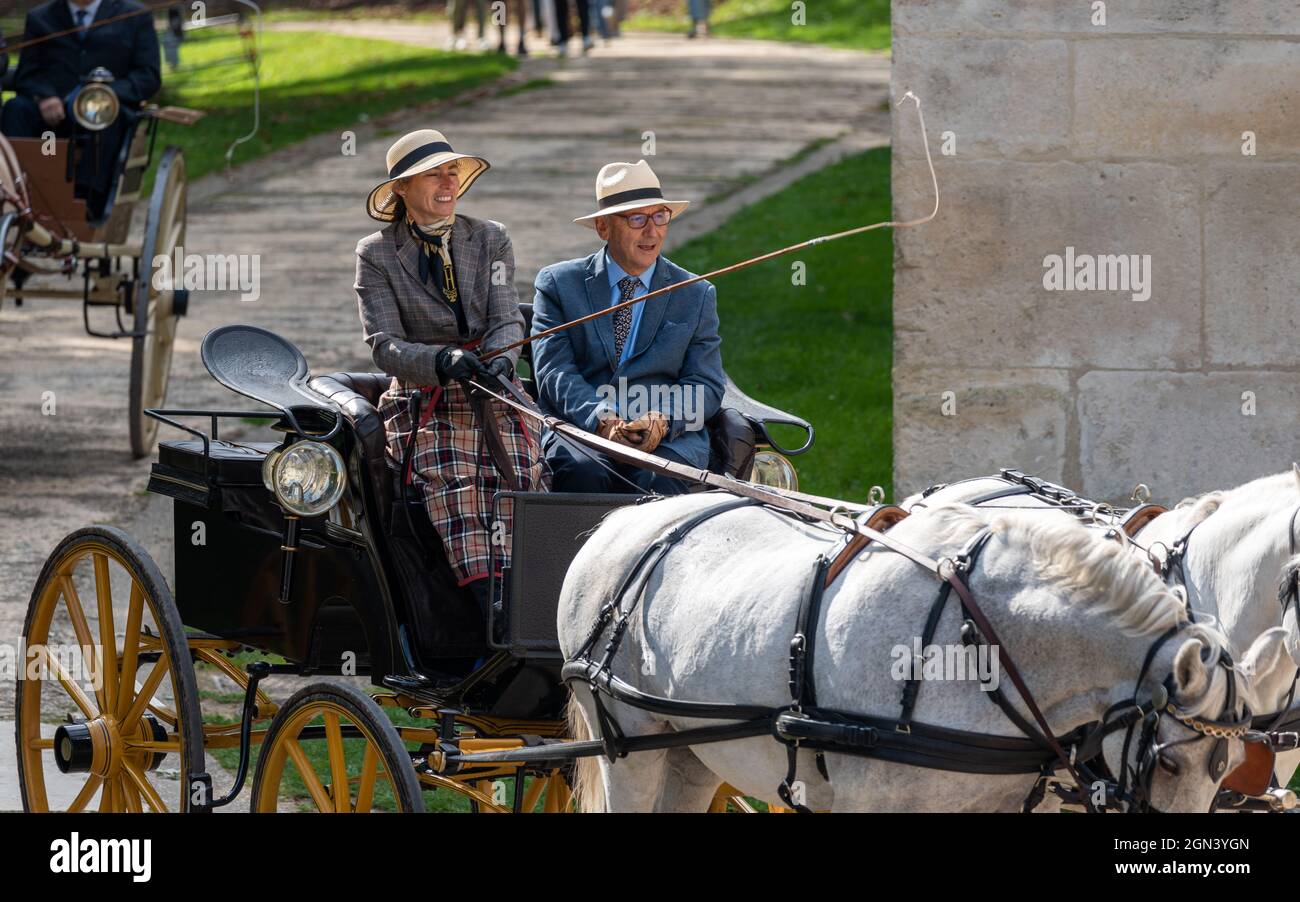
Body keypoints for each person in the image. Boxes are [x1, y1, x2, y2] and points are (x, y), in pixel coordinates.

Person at [354, 129, 548, 618]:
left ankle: (538, 609)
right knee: (459, 489)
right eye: (432, 174)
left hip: (496, 393)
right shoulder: (375, 254)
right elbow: (386, 346)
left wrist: (502, 359)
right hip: (425, 405)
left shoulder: (490, 238)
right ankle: (495, 618)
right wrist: (442, 363)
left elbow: (507, 317)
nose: (447, 183)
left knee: (524, 485)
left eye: (451, 172)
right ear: (400, 188)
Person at [531, 160, 724, 495]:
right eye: (637, 219)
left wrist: (661, 420)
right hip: (583, 430)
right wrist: (603, 419)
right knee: (583, 473)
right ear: (603, 227)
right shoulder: (559, 284)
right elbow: (553, 371)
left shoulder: (695, 293)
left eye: (659, 216)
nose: (652, 231)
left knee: (659, 479)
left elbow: (705, 381)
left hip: (668, 435)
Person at [1, 0, 161, 221]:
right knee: (15, 109)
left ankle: (87, 203)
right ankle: (16, 194)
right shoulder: (40, 17)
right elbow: (27, 74)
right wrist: (46, 96)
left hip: (106, 111)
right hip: (51, 115)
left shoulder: (135, 15)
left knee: (104, 118)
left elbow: (148, 76)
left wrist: (101, 96)